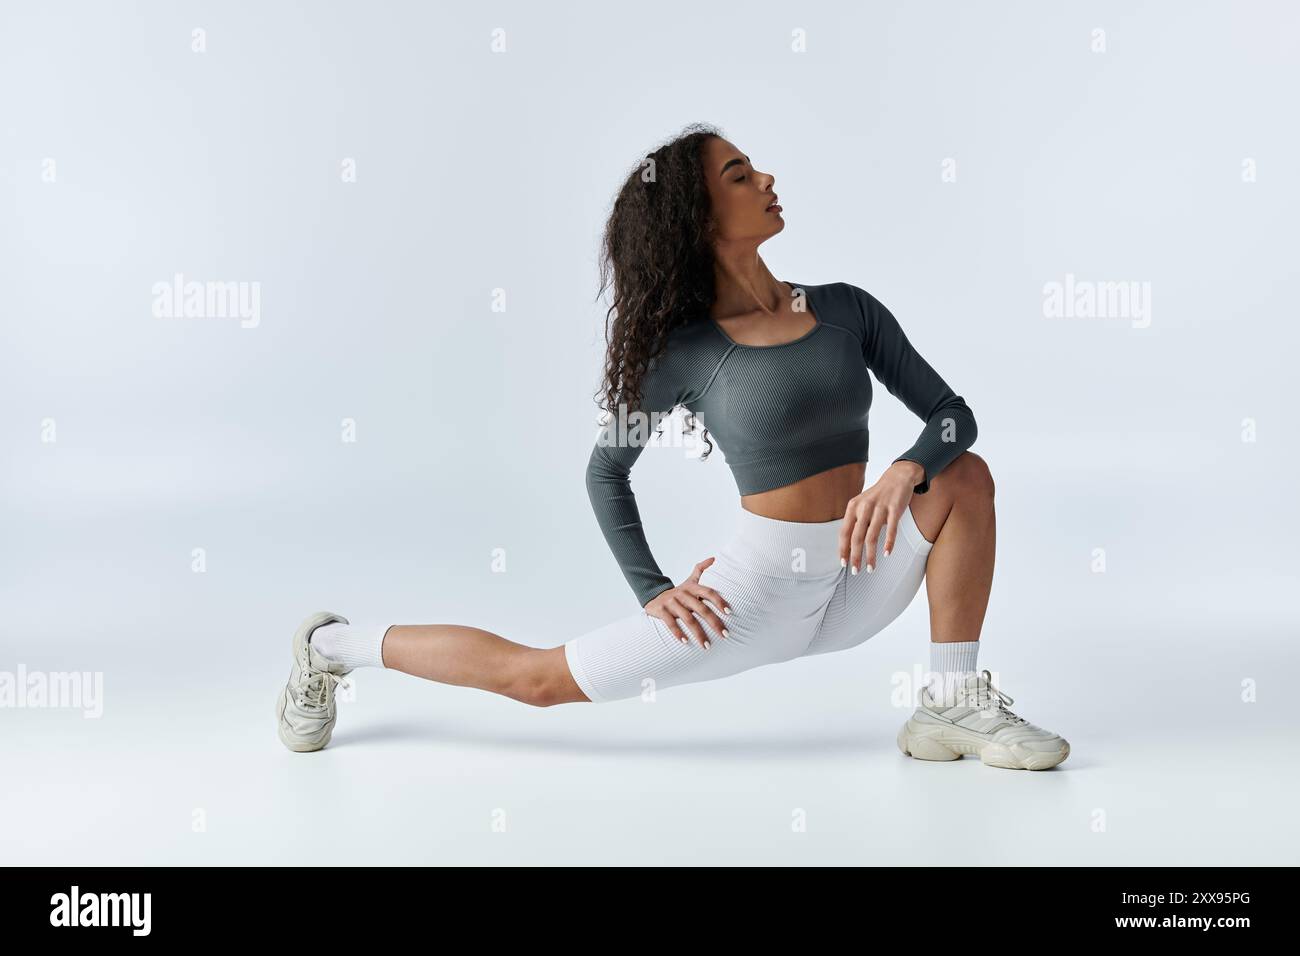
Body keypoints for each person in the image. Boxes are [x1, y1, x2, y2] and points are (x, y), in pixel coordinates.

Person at [275, 122, 1069, 771]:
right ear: (697, 216)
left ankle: (948, 705)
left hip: (856, 576)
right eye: (739, 175)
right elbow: (605, 472)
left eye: (755, 167)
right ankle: (332, 646)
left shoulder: (845, 311)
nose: (765, 179)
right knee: (538, 680)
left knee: (963, 476)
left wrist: (905, 472)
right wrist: (653, 589)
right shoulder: (683, 355)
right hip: (750, 599)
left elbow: (954, 418)